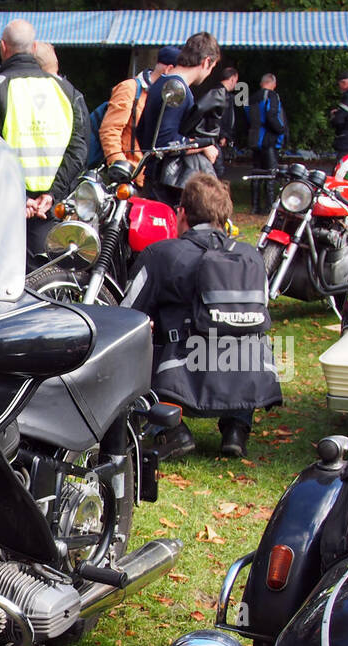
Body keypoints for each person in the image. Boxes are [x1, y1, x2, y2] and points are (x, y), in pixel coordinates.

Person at [122, 173, 281, 458]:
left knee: (133, 339)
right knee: (243, 338)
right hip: (248, 374)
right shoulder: (251, 257)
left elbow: (127, 314)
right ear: (224, 215)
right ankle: (236, 429)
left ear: (181, 212)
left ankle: (171, 430)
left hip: (183, 376)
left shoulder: (161, 254)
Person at [0, 18, 88, 258]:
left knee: (2, 275)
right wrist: (51, 195)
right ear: (34, 47)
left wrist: (21, 197)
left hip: (8, 205)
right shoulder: (66, 90)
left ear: (3, 48)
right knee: (45, 278)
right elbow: (78, 148)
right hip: (52, 207)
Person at [135, 32, 221, 206]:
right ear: (206, 62)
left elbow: (142, 131)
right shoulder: (176, 89)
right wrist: (203, 146)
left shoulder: (162, 82)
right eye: (212, 68)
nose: (209, 74)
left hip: (154, 179)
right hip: (165, 186)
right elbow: (164, 143)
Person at [97, 46, 178, 174]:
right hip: (129, 175)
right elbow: (109, 130)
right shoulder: (130, 88)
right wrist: (119, 165)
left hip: (154, 176)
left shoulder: (169, 97)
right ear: (169, 69)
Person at [246, 73, 287, 213]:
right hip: (268, 140)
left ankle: (255, 207)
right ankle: (269, 207)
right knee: (271, 174)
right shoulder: (272, 96)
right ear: (273, 84)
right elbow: (272, 115)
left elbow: (248, 118)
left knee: (256, 174)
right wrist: (281, 130)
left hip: (254, 139)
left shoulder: (251, 98)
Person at [212, 67, 239, 178]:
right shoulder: (221, 95)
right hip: (218, 137)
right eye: (236, 81)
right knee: (218, 170)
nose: (236, 84)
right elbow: (218, 117)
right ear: (232, 79)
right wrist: (222, 135)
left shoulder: (217, 92)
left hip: (218, 135)